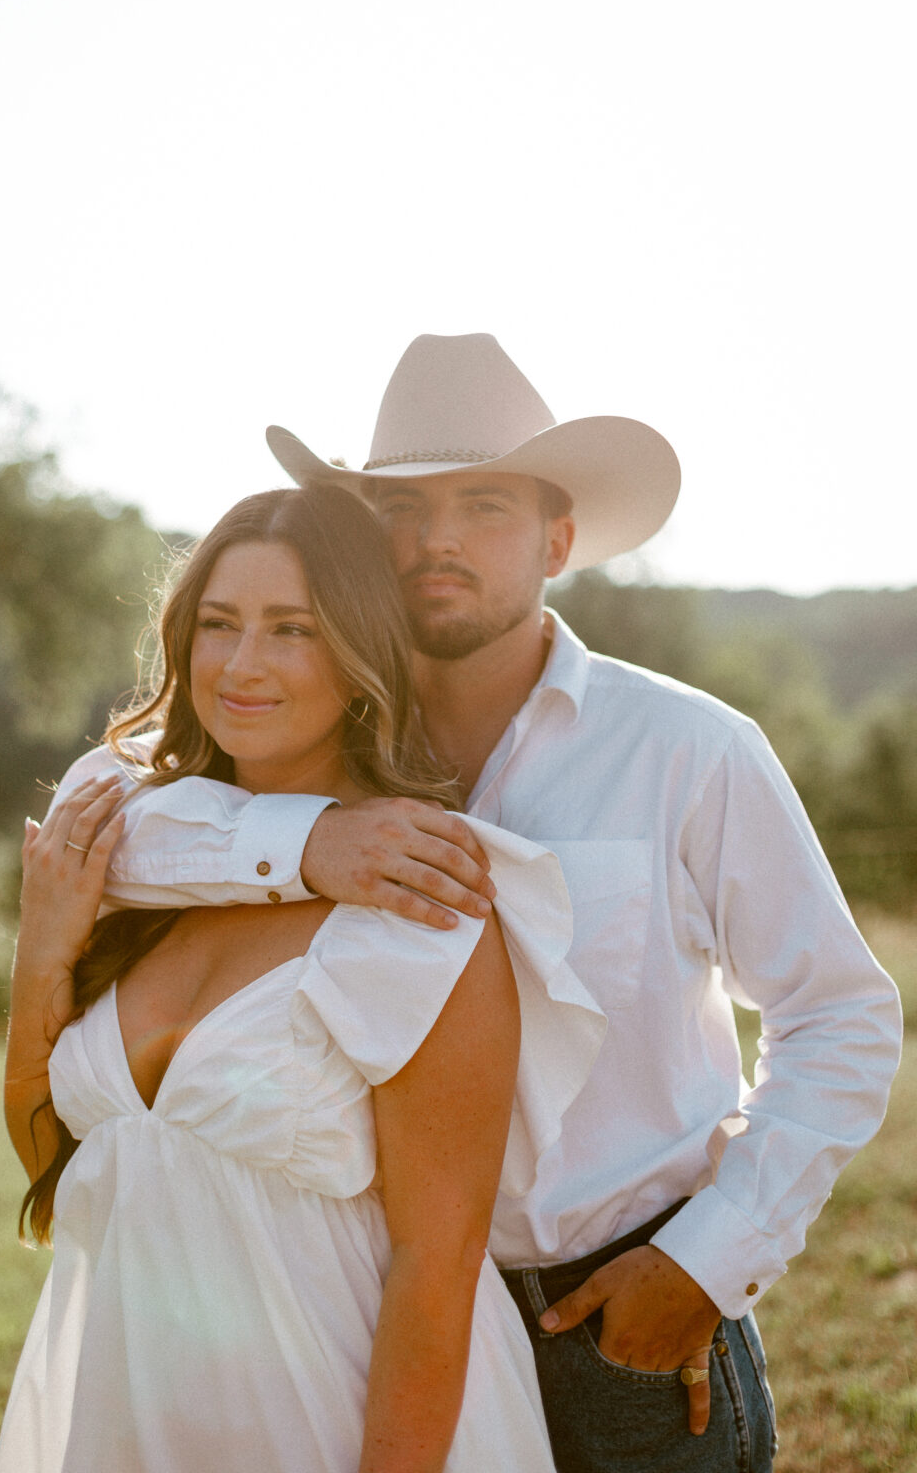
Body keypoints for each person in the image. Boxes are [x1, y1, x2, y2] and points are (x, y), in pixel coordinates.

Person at [75, 334, 904, 1473]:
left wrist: (707, 1261)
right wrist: (310, 842)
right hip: (361, 1322)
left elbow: (840, 1017)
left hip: (615, 1323)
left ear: (556, 540)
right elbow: (110, 829)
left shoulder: (685, 749)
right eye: (401, 509)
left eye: (484, 506)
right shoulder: (313, 738)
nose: (437, 541)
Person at [0, 483, 609, 1473]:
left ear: (361, 658)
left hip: (335, 1420)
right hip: (131, 1410)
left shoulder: (423, 908)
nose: (241, 666)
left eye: (293, 631)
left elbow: (435, 1268)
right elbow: (61, 1169)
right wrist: (44, 954)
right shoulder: (129, 867)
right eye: (219, 625)